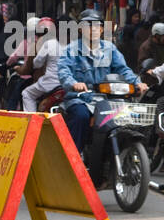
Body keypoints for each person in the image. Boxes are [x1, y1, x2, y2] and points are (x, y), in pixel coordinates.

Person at [57, 10, 146, 152]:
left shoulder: (110, 49)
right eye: (88, 25)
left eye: (97, 25)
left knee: (126, 118)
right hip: (82, 99)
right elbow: (63, 71)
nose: (93, 29)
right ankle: (74, 157)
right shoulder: (71, 50)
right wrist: (74, 84)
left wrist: (137, 82)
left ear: (102, 29)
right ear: (80, 29)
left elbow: (123, 69)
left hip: (107, 99)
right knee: (81, 116)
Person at [20, 17, 65, 112]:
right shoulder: (59, 43)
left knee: (26, 93)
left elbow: (37, 63)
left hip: (51, 81)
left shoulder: (47, 44)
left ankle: (32, 119)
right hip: (63, 81)